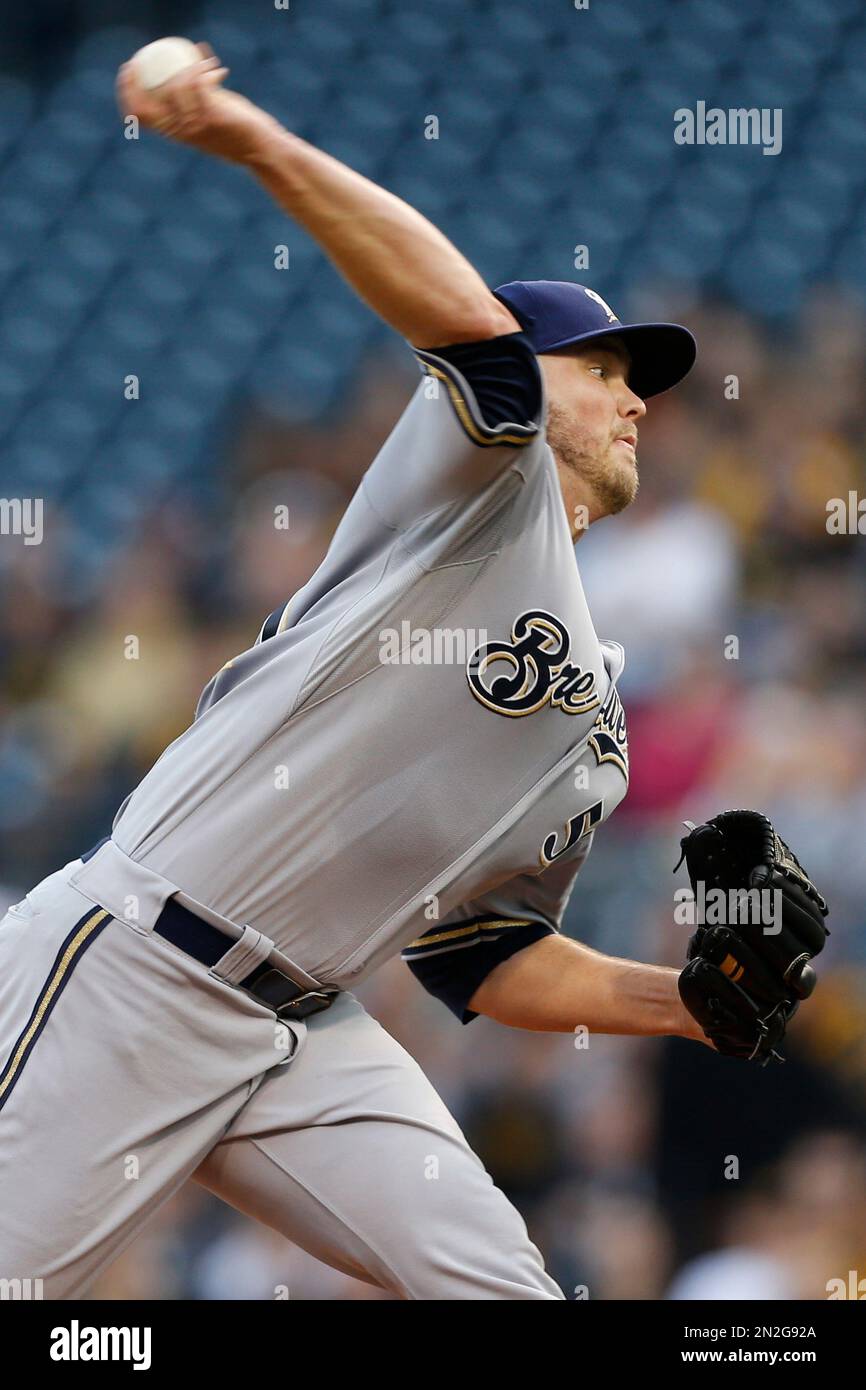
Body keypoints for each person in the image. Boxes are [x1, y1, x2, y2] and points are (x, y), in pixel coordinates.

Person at [0, 44, 706, 1301]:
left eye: (634, 381)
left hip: (301, 1033)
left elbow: (478, 957)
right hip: (136, 965)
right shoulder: (480, 493)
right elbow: (476, 337)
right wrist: (243, 135)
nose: (634, 399)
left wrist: (683, 999)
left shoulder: (597, 724)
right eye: (600, 370)